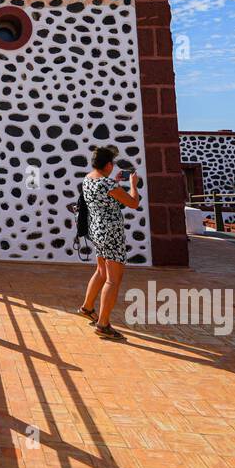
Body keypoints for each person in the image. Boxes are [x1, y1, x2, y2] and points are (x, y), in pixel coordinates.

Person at [75, 146, 143, 341]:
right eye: (112, 163)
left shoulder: (88, 179)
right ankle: (103, 324)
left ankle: (87, 307)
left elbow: (103, 194)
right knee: (113, 279)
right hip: (111, 234)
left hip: (96, 230)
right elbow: (133, 202)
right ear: (107, 165)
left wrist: (115, 182)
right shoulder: (107, 184)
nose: (113, 166)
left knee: (101, 271)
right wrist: (133, 185)